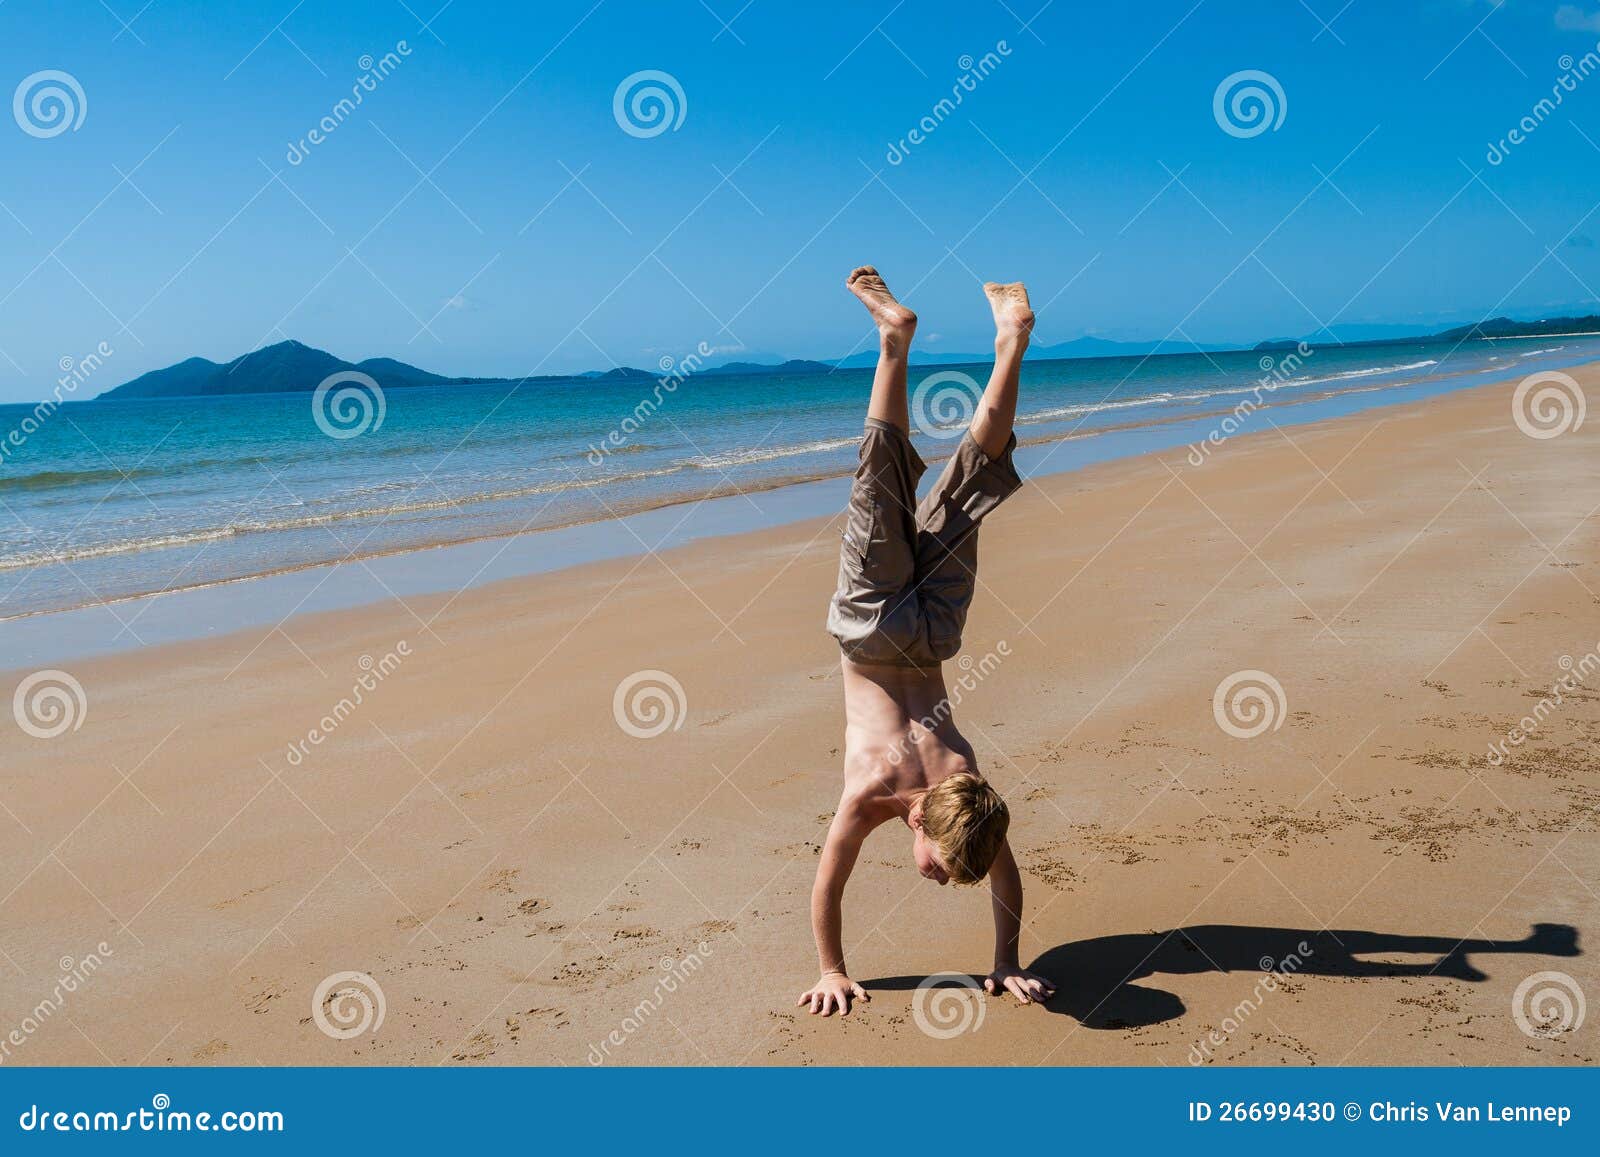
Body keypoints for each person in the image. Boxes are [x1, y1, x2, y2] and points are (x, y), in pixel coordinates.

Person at [797, 266, 1056, 1017]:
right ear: (921, 821)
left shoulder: (969, 790)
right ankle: (892, 342)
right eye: (946, 868)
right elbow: (829, 881)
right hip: (873, 624)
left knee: (968, 487)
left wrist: (1007, 958)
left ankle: (1010, 344)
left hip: (936, 634)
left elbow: (1001, 872)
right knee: (879, 484)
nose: (946, 877)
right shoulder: (872, 793)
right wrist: (831, 969)